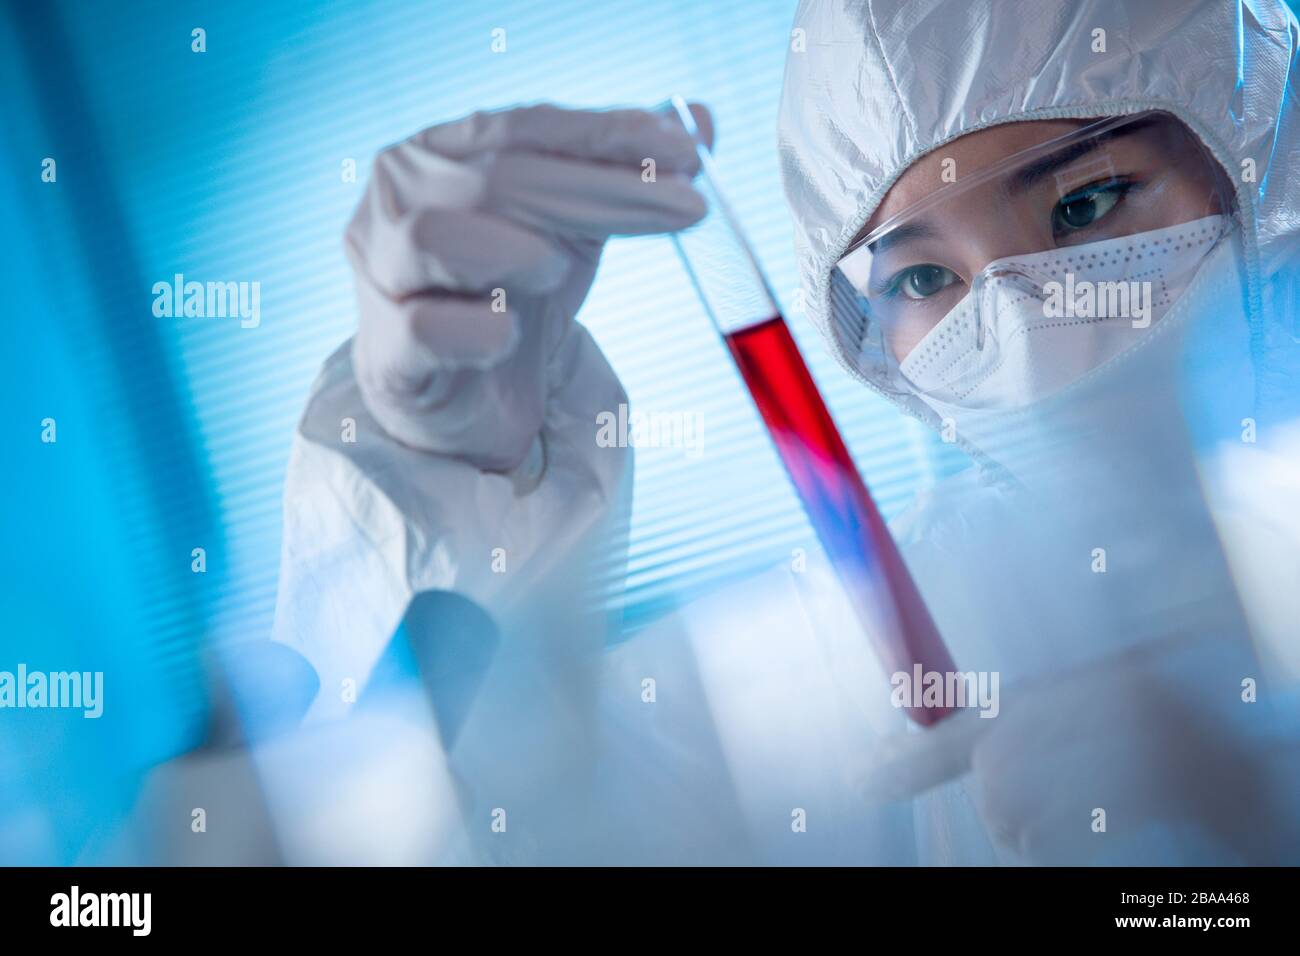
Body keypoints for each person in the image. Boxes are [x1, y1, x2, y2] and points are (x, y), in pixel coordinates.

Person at [270, 0, 1300, 864]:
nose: (1017, 321)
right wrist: (446, 485)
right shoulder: (878, 661)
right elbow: (506, 818)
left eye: (1084, 204)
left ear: (1255, 156)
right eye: (924, 278)